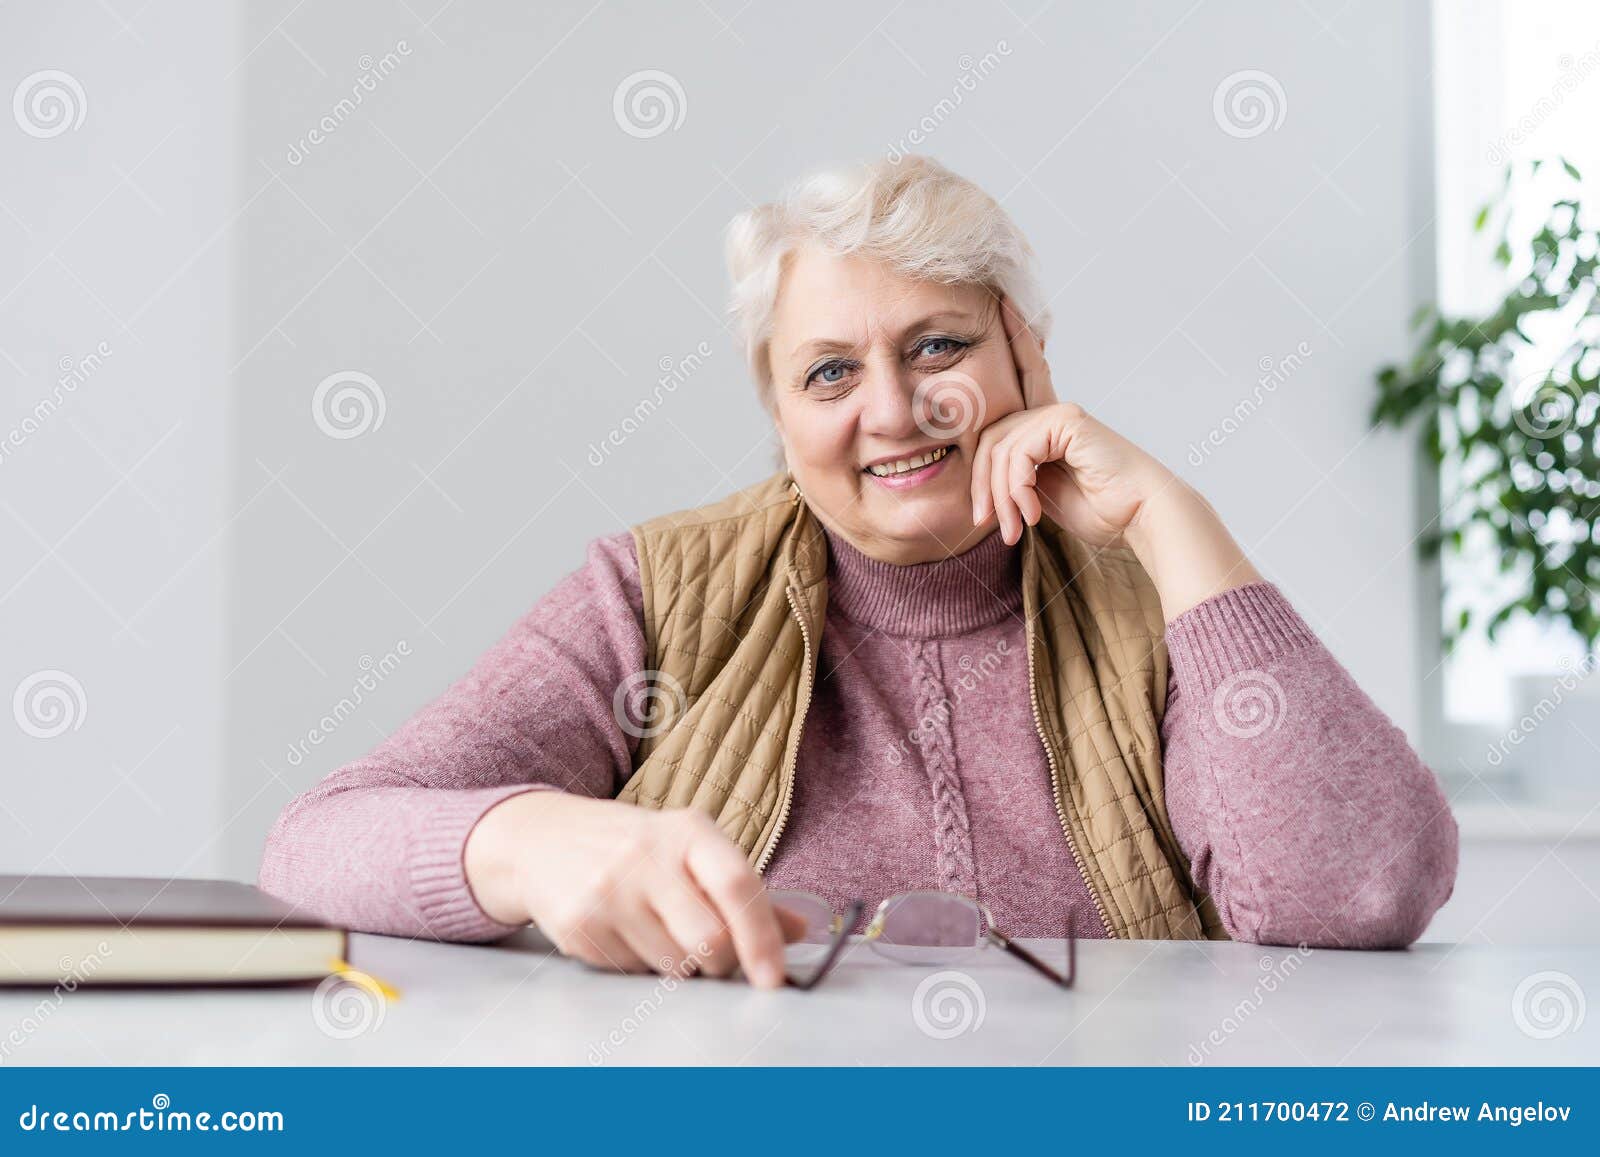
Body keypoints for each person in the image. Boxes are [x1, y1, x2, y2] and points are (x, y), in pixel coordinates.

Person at [260, 155, 1458, 989]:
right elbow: (316, 844)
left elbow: (1355, 893)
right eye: (828, 373)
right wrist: (527, 842)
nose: (892, 410)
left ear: (1026, 354)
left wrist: (1171, 520)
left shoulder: (1157, 597)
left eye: (937, 345)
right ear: (776, 407)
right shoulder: (656, 590)